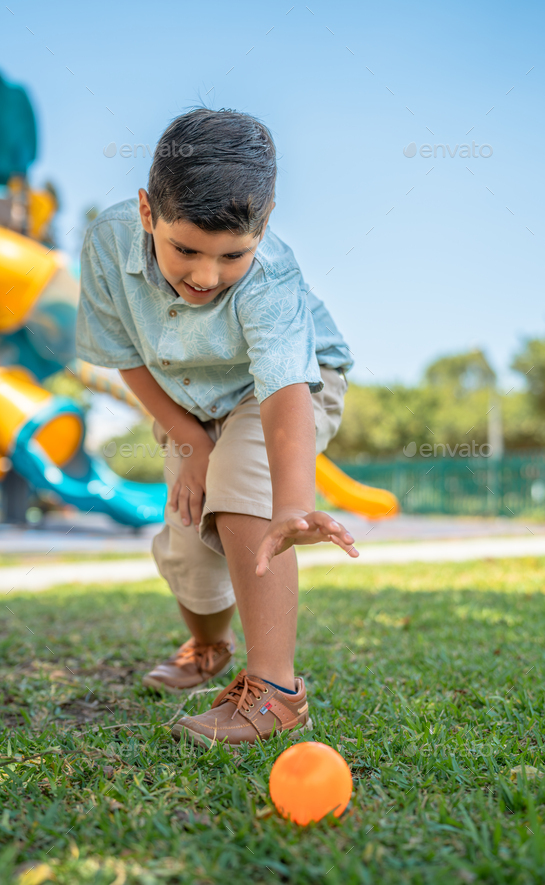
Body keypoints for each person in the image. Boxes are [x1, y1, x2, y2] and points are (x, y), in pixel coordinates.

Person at [76, 108, 358, 746]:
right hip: (189, 401)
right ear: (148, 211)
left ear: (266, 222)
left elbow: (285, 389)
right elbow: (124, 354)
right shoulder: (107, 241)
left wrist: (288, 504)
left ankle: (277, 693)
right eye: (185, 249)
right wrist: (189, 438)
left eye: (232, 254)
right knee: (185, 541)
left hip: (284, 388)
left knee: (240, 490)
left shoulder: (272, 279)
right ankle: (208, 647)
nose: (206, 276)